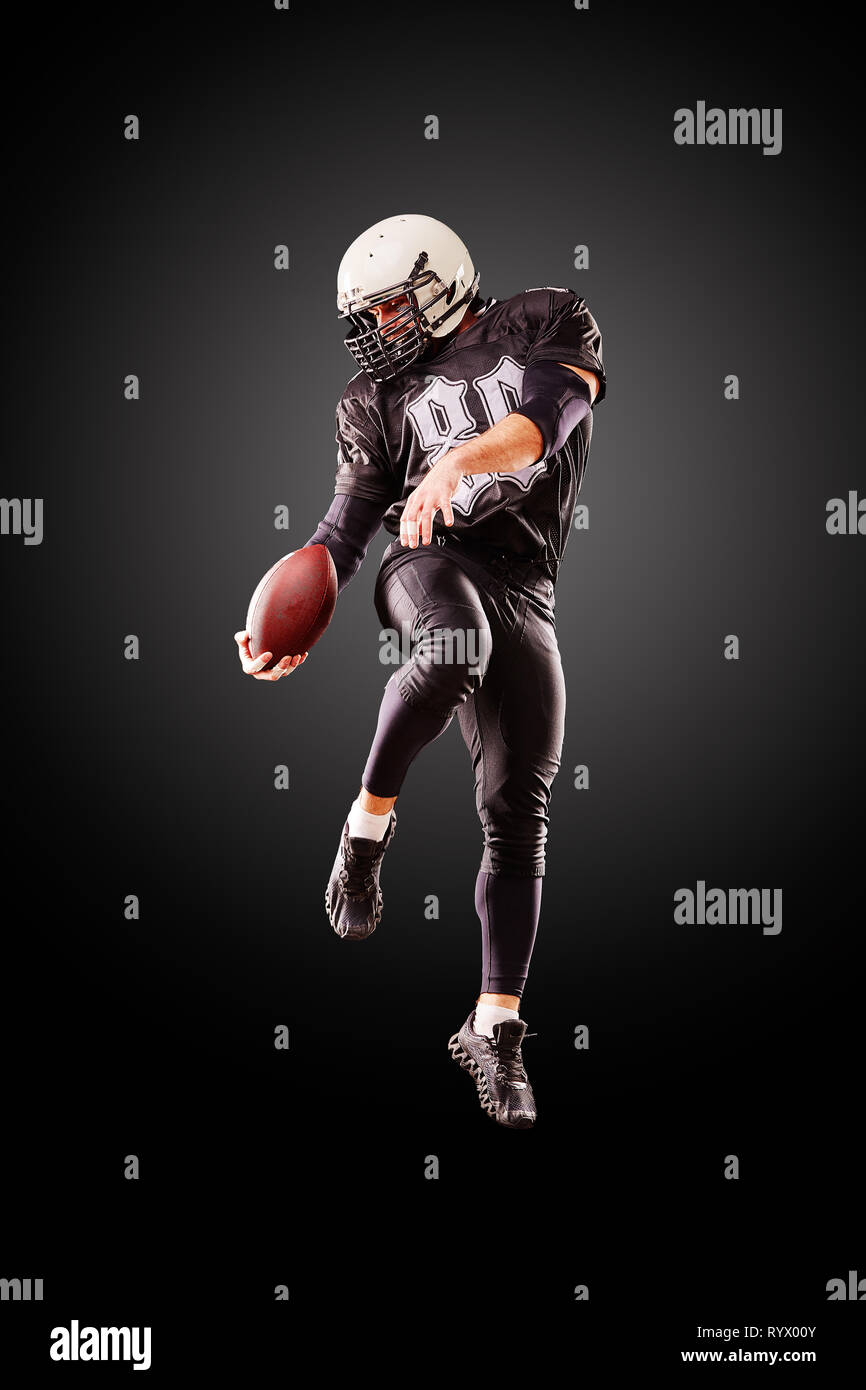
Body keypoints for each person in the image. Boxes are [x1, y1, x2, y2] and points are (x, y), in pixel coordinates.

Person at [235, 213, 606, 1129]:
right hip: (429, 565)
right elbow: (343, 533)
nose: (370, 332)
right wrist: (292, 609)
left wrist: (458, 464)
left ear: (441, 282)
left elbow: (553, 416)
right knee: (451, 647)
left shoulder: (541, 316)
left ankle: (496, 1029)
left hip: (529, 586)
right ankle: (365, 833)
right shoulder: (371, 399)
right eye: (358, 316)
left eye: (385, 309)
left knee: (520, 809)